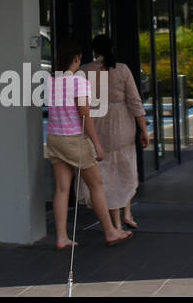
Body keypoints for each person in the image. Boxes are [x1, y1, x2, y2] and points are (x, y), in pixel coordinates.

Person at [47, 40, 133, 249]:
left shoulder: (50, 81)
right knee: (96, 185)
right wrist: (97, 143)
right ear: (76, 59)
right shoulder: (79, 82)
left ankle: (61, 237)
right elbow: (85, 115)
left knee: (61, 189)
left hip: (54, 138)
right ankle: (111, 232)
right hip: (75, 139)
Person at [79, 35, 149, 230]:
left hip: (98, 124)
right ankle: (126, 214)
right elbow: (135, 102)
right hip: (122, 124)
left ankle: (117, 221)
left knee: (106, 176)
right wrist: (144, 129)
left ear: (95, 50)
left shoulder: (85, 70)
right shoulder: (123, 69)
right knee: (124, 169)